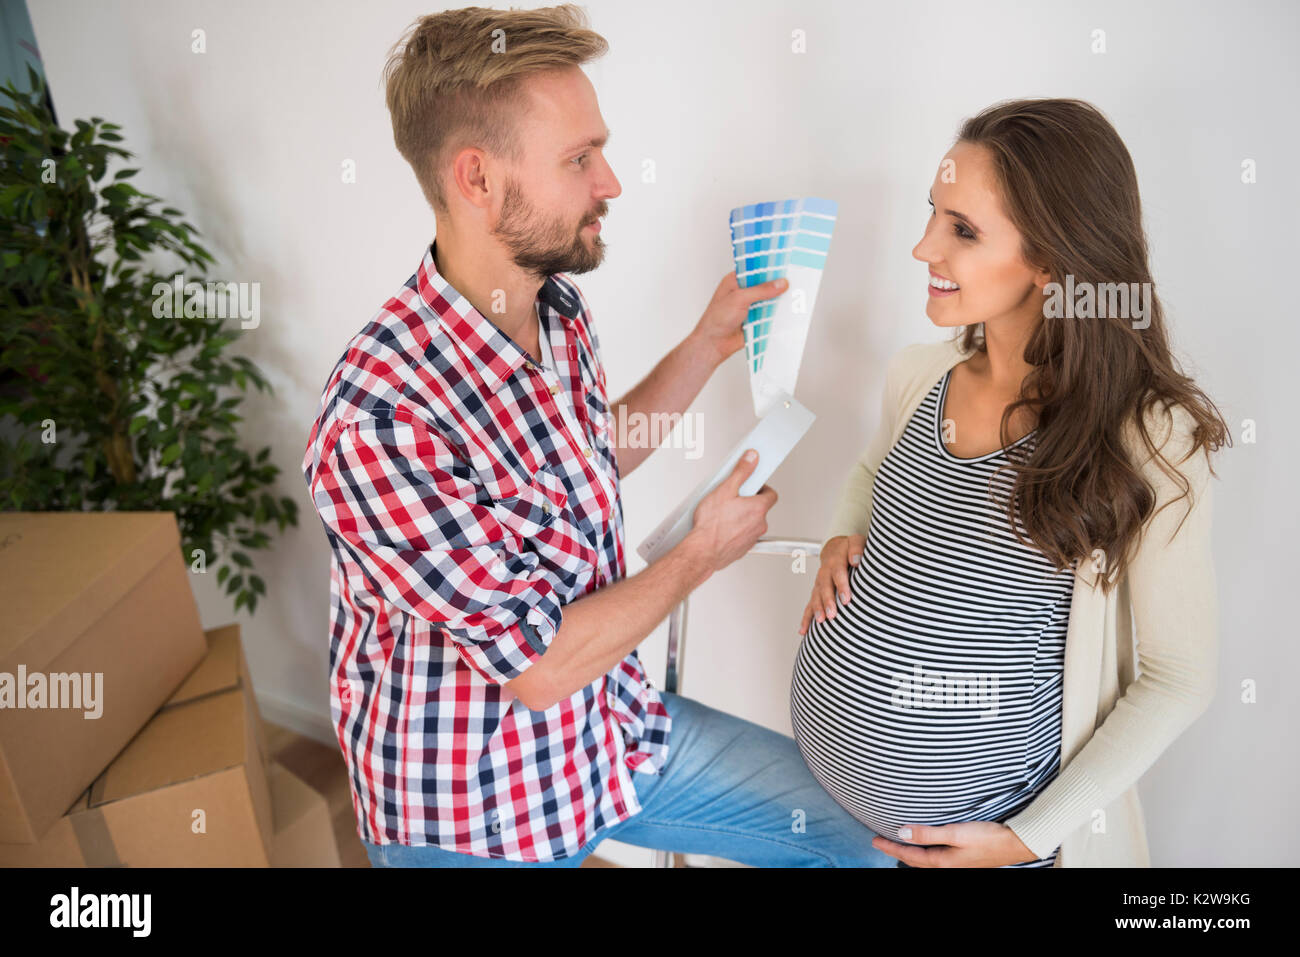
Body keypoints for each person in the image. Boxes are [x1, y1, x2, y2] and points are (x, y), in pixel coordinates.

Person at [301, 4, 898, 867]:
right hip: (472, 814)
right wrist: (699, 554)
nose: (610, 181)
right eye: (580, 159)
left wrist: (704, 347)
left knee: (864, 839)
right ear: (476, 179)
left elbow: (583, 457)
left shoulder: (552, 304)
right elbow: (538, 666)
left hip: (607, 738)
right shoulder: (377, 420)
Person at [793, 98, 1228, 867]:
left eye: (963, 229)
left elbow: (1178, 677)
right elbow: (869, 471)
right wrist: (839, 530)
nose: (923, 246)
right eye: (935, 213)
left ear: (1053, 263)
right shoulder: (919, 376)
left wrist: (1029, 834)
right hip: (846, 824)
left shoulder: (1149, 436)